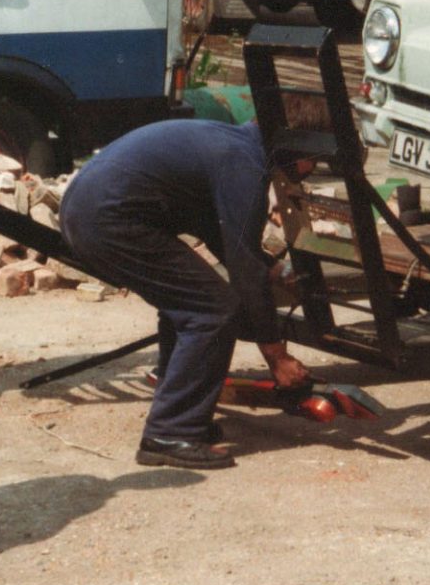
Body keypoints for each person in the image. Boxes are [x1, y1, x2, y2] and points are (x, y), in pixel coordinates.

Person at [59, 118, 315, 470]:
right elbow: (244, 274)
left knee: (187, 303)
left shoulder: (235, 143)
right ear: (298, 148)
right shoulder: (244, 163)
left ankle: (180, 409)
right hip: (108, 220)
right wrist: (277, 358)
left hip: (87, 211)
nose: (311, 170)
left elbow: (220, 232)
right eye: (313, 161)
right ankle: (170, 432)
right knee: (214, 309)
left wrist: (271, 267)